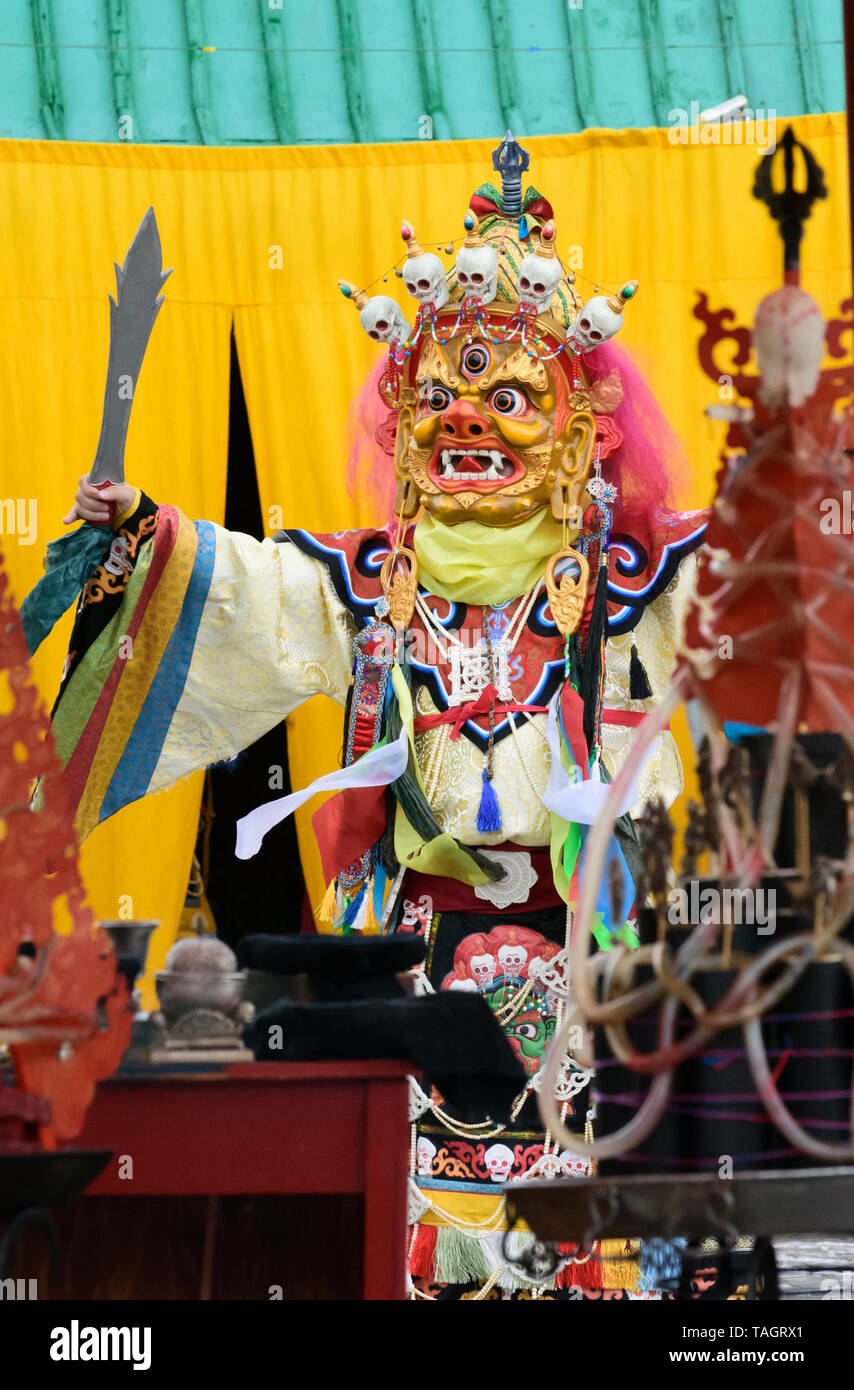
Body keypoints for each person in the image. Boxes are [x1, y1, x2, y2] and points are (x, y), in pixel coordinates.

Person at [50, 137, 706, 1297]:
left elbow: (767, 593)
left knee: (596, 1228)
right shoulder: (366, 583)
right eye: (443, 397)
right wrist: (145, 527)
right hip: (417, 951)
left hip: (601, 949)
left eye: (508, 398)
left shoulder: (635, 578)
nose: (469, 422)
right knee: (425, 1228)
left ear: (581, 424)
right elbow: (242, 589)